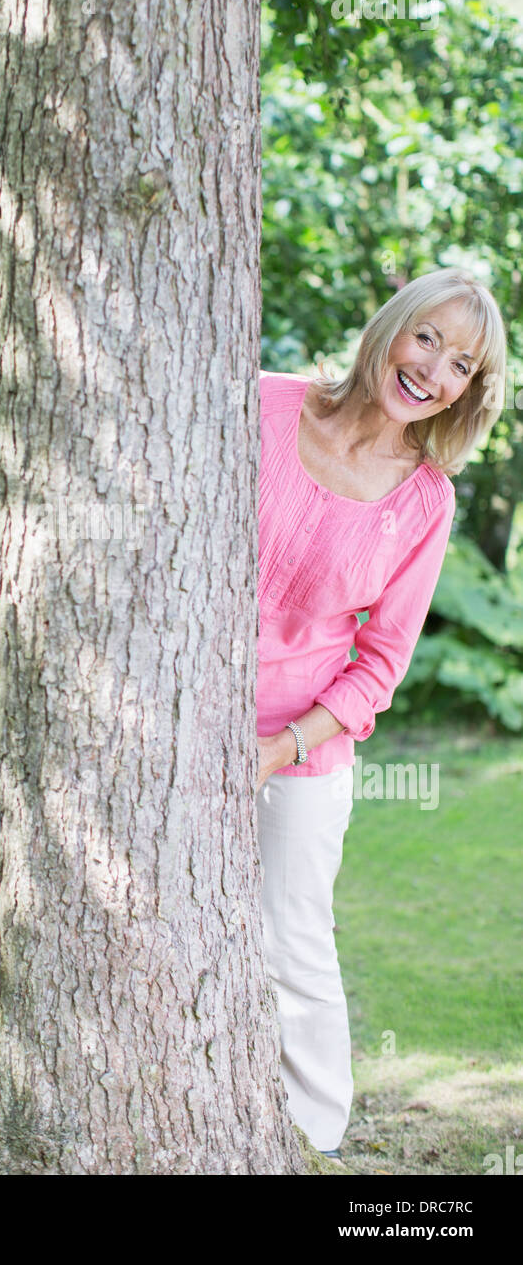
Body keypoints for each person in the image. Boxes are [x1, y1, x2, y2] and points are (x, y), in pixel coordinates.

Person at [254, 267, 506, 1158]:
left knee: (292, 943)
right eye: (427, 338)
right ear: (390, 331)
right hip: (170, 731)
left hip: (301, 751)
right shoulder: (265, 405)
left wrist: (279, 749)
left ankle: (312, 1139)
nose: (434, 370)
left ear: (468, 391)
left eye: (461, 364)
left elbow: (380, 664)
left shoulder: (423, 501)